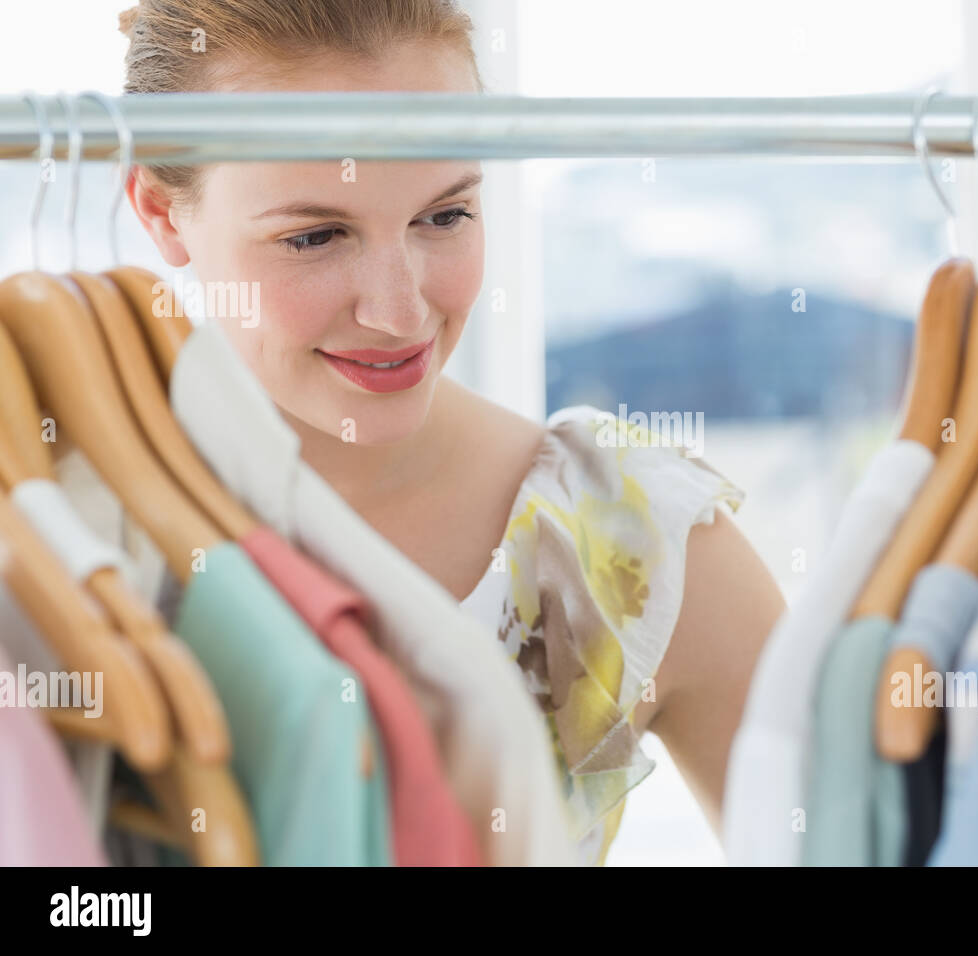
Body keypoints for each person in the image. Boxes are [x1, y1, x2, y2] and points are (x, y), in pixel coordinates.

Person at [119, 0, 786, 865]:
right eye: (315, 236)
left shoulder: (629, 536)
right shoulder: (49, 538)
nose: (399, 312)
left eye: (445, 215)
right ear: (163, 213)